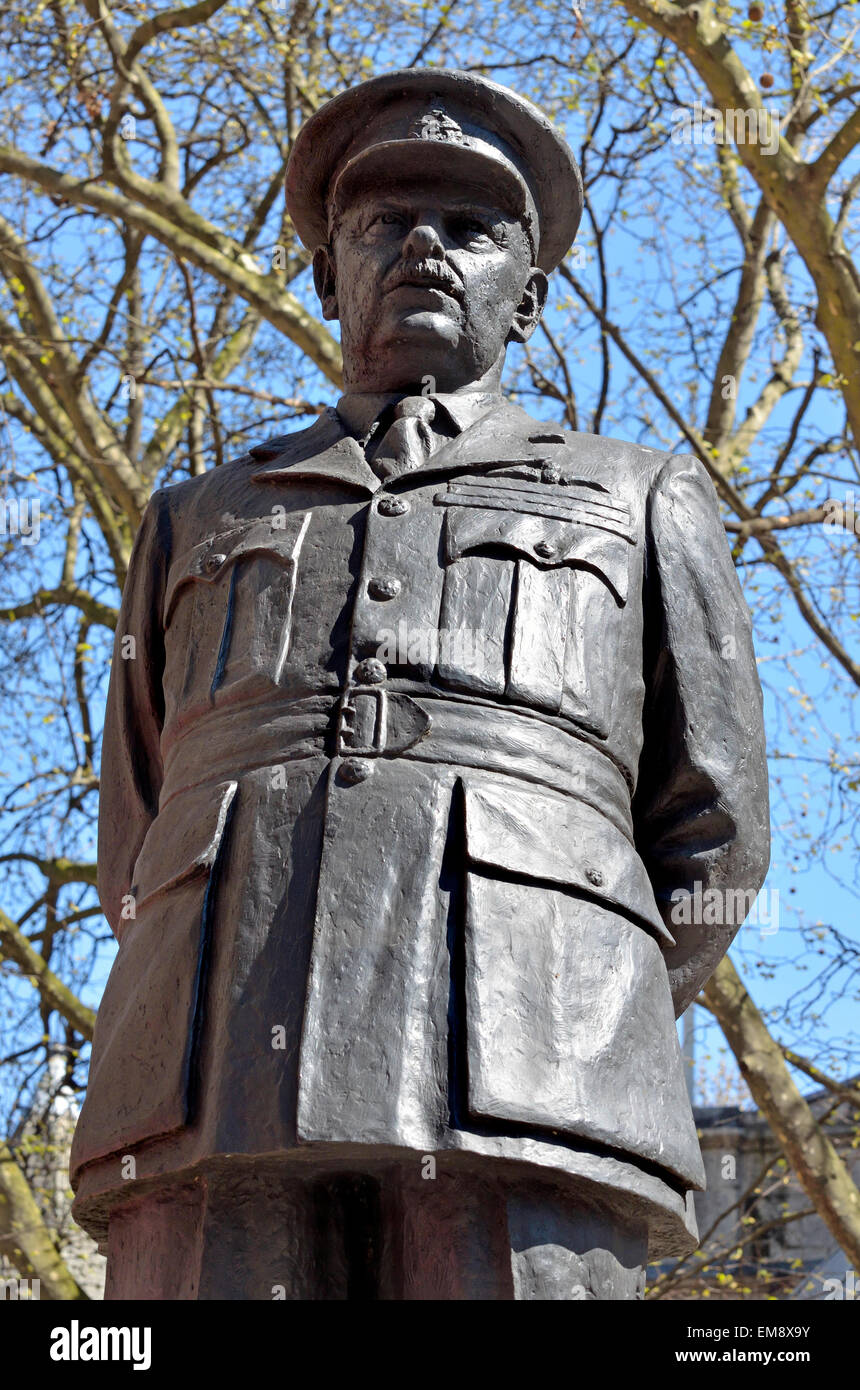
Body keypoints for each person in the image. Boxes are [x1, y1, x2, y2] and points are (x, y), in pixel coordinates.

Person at [70, 68, 769, 1300]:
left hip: (534, 1074)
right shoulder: (193, 517)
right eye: (382, 224)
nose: (423, 248)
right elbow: (135, 822)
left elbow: (712, 831)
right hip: (207, 1075)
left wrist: (575, 999)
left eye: (469, 228)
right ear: (328, 275)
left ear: (530, 291)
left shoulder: (638, 496)